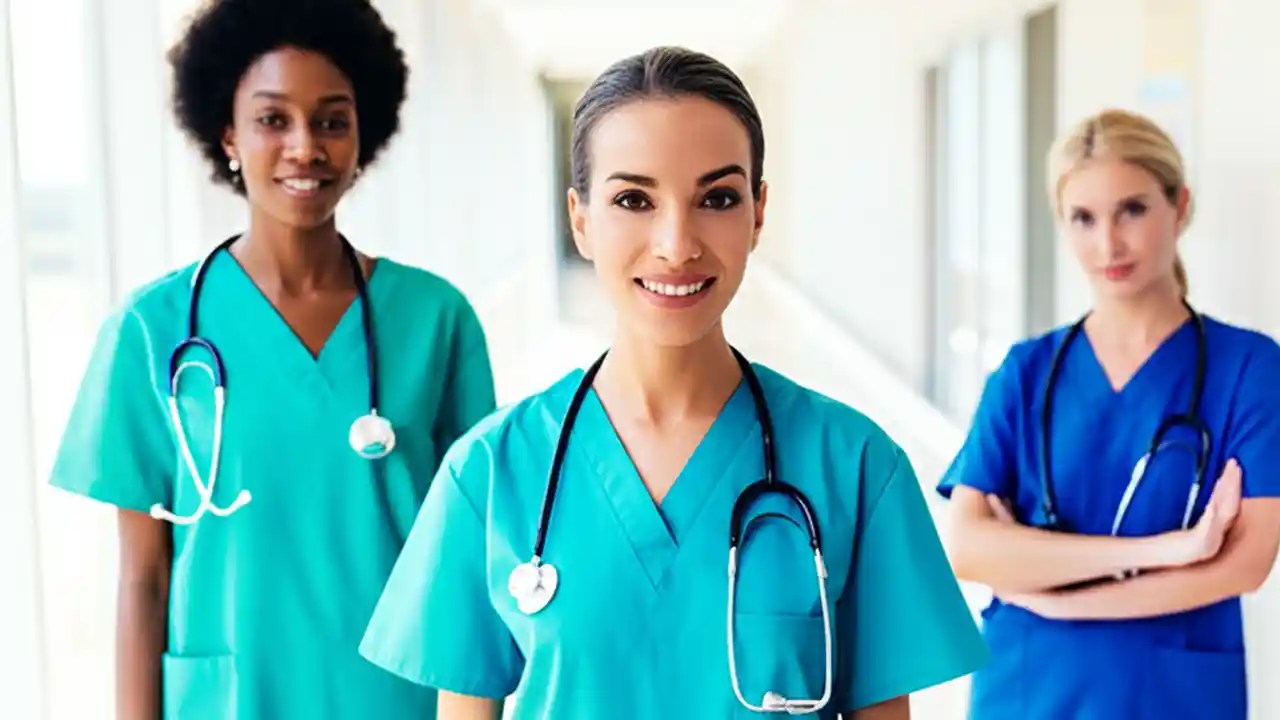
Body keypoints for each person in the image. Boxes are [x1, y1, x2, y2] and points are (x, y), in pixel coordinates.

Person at [358, 46, 988, 720]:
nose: (677, 242)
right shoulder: (491, 472)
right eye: (633, 199)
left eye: (716, 198)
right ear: (580, 220)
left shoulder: (855, 465)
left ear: (759, 212)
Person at [47, 1, 496, 718]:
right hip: (231, 697)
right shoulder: (152, 329)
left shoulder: (435, 319)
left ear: (362, 133)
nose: (304, 146)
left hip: (395, 696)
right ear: (227, 134)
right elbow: (143, 579)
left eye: (330, 119)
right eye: (272, 118)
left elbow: (471, 560)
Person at [938, 108, 1280, 719]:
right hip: (1029, 689)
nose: (1108, 243)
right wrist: (1173, 551)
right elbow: (967, 548)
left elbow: (1248, 564)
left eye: (1133, 209)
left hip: (1172, 695)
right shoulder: (1026, 372)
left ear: (1180, 206)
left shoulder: (1250, 368)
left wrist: (1057, 593)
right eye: (1084, 218)